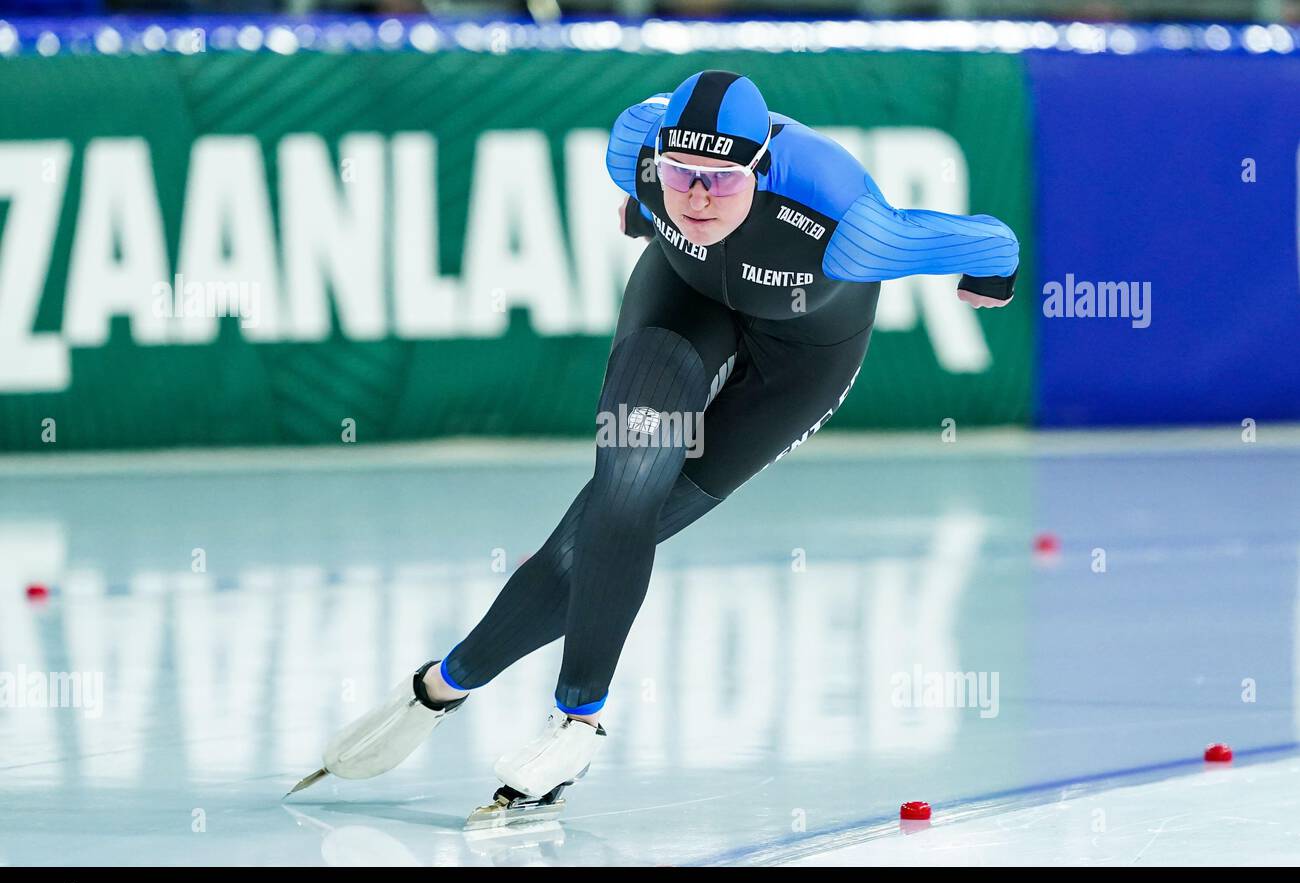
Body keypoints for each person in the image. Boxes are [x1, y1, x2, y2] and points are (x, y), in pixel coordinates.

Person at [293, 70, 1019, 818]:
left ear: (760, 170)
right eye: (680, 176)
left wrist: (991, 279)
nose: (697, 197)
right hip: (685, 303)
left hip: (805, 357)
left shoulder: (849, 229)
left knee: (595, 542)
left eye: (719, 181)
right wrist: (647, 214)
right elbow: (650, 185)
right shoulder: (633, 146)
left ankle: (443, 685)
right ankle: (574, 719)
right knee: (627, 483)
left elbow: (994, 240)